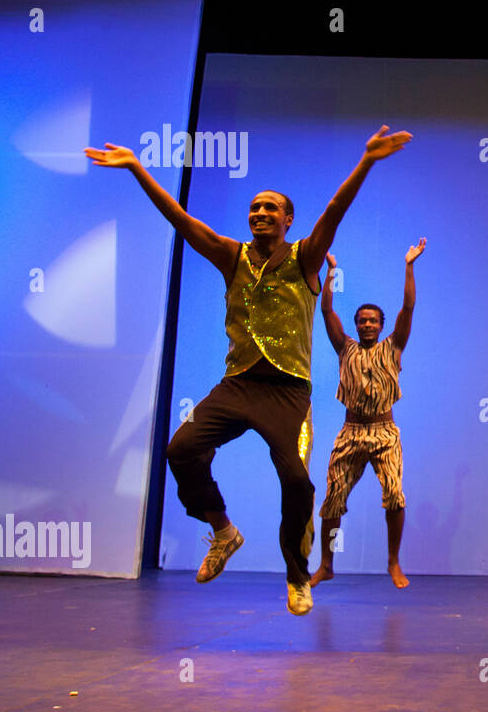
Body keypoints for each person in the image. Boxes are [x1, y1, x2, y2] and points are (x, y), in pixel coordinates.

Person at [85, 126, 412, 614]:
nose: (259, 213)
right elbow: (179, 218)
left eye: (269, 208)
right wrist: (137, 168)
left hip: (287, 393)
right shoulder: (230, 256)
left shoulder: (305, 258)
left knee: (298, 484)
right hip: (237, 386)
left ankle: (297, 576)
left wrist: (365, 161)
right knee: (181, 449)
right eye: (254, 207)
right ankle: (222, 531)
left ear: (287, 220)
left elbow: (334, 213)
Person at [310, 238, 425, 591]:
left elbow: (407, 308)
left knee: (394, 494)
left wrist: (409, 265)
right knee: (332, 500)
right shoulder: (345, 348)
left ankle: (393, 561)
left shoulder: (394, 347)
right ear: (356, 325)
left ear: (381, 324)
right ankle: (327, 564)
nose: (367, 325)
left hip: (384, 433)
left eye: (373, 321)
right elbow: (327, 312)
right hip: (351, 432)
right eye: (361, 321)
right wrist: (330, 272)